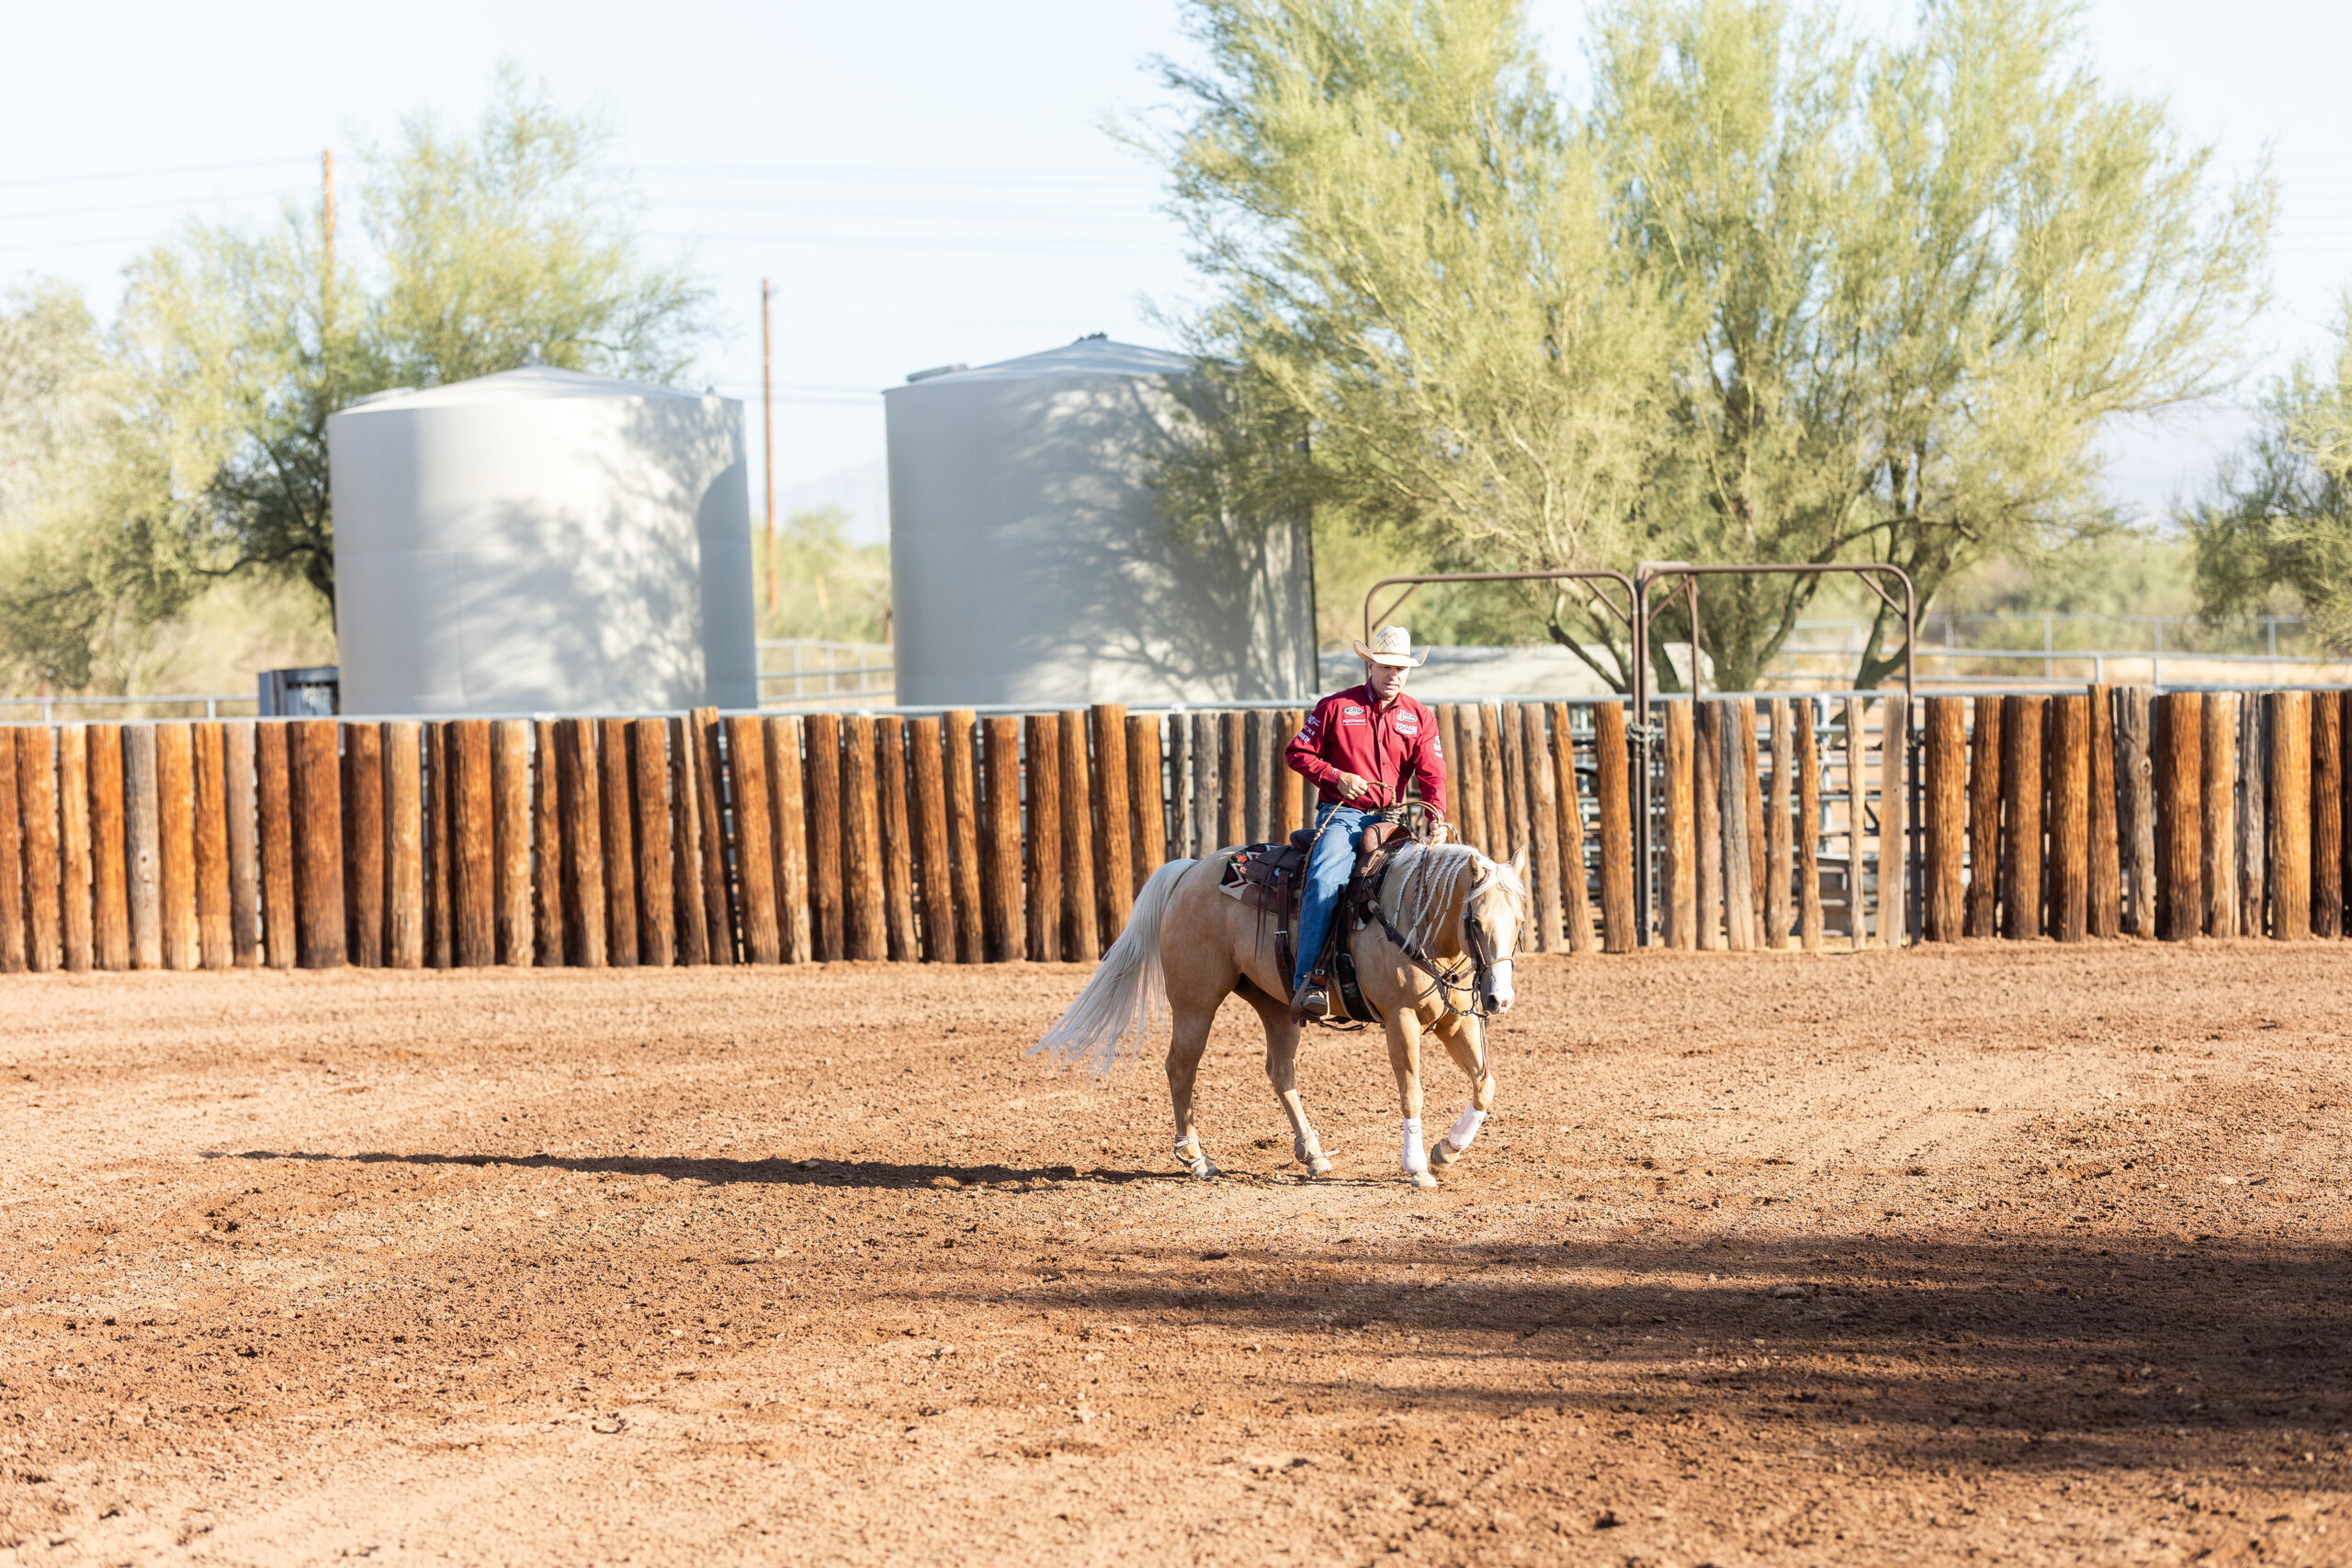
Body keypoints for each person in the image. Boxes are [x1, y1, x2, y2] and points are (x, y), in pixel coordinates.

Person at [1282, 625, 1448, 1018]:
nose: (1394, 676)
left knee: (1424, 882)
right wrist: (1336, 777)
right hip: (1343, 815)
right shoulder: (1335, 707)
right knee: (1325, 877)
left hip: (1392, 820)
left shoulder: (1419, 717)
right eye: (1387, 667)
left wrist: (1436, 814)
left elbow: (1432, 773)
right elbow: (1297, 753)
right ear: (1370, 664)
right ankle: (1311, 977)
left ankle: (1429, 977)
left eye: (1401, 669)